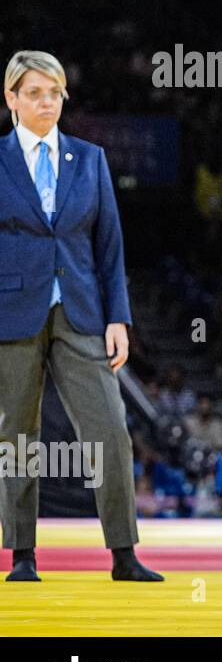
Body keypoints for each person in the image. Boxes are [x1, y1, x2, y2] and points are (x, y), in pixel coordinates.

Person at [0, 50, 162, 582]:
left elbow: (109, 246)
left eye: (55, 93)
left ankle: (123, 554)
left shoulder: (89, 159)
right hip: (12, 312)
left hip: (83, 312)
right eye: (34, 93)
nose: (46, 102)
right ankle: (22, 555)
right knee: (16, 438)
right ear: (12, 99)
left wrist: (119, 317)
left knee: (110, 429)